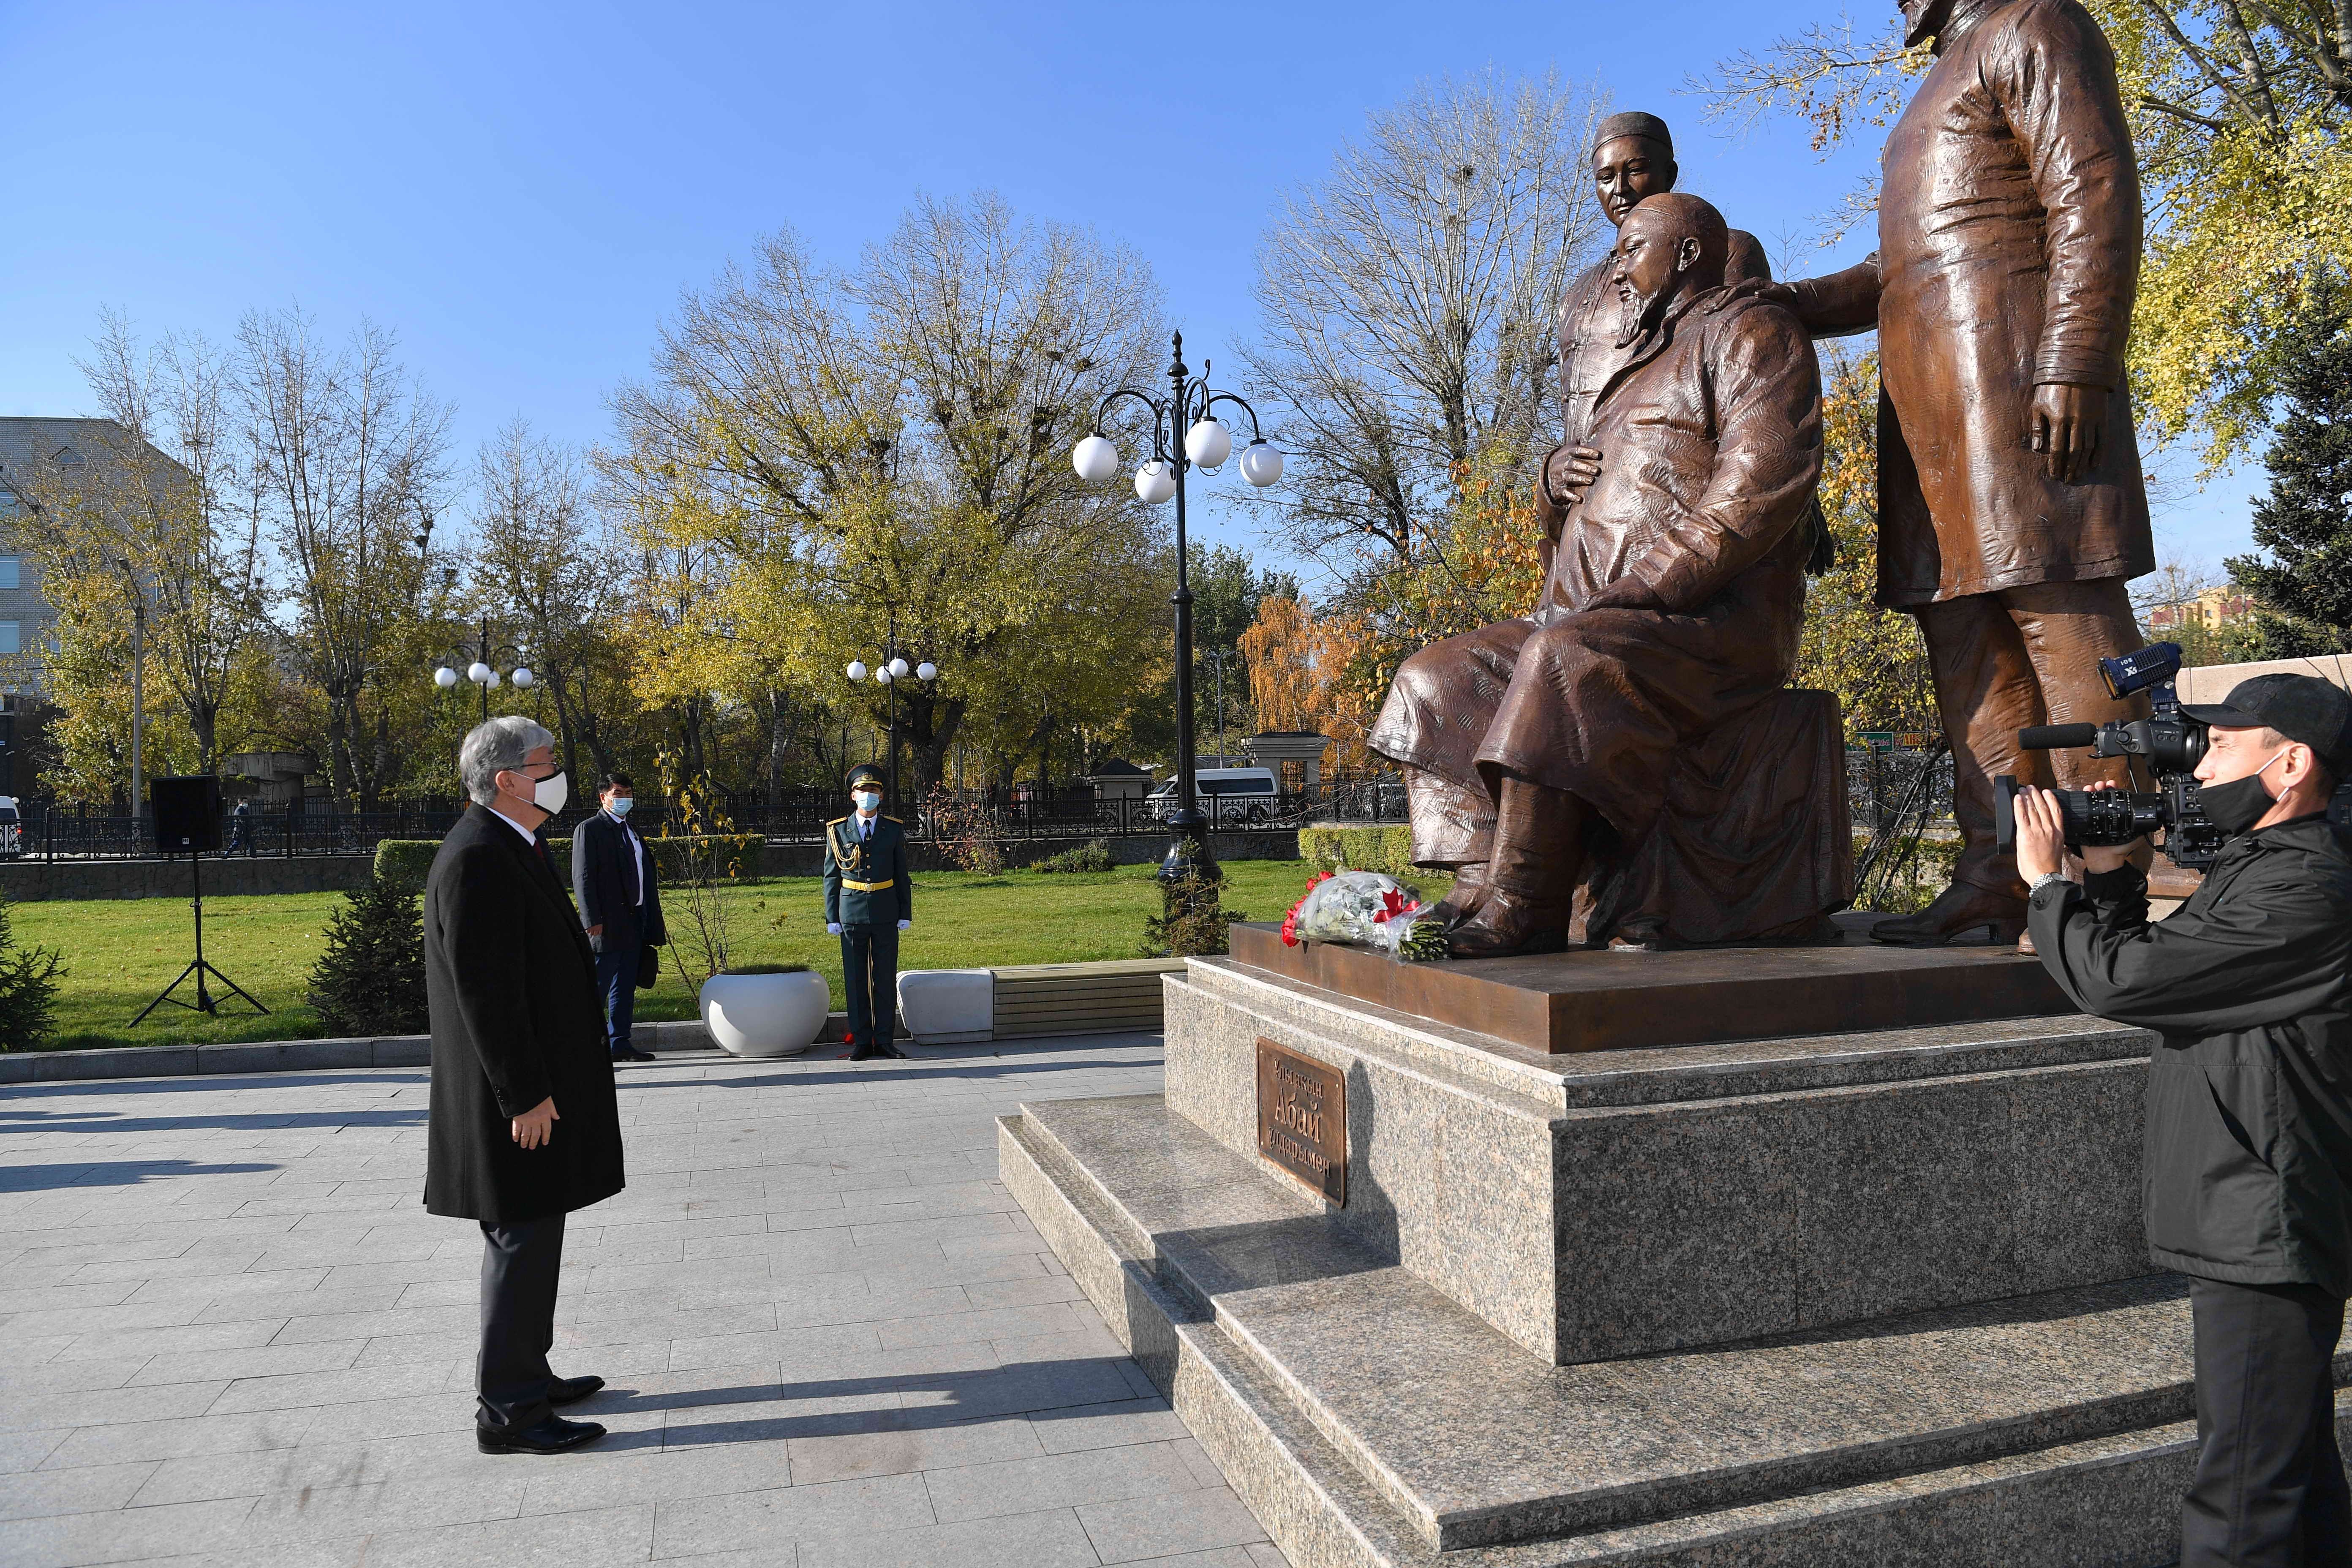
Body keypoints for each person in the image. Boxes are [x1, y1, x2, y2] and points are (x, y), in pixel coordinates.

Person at [1772, 0, 2154, 946]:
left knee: (2067, 632)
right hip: (1935, 421)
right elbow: (1902, 266)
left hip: (2019, 391)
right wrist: (1778, 303)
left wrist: (2075, 357)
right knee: (1969, 653)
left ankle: (2112, 879)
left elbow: (2094, 191)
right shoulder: (1938, 83)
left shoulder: (2034, 23)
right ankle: (2000, 869)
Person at [1367, 193, 1824, 956]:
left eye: (1628, 248)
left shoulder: (1751, 332)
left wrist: (1650, 585)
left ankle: (1524, 904)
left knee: (1562, 660)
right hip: (1591, 617)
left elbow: (1760, 486)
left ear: (1684, 256)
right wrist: (1551, 480)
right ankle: (1478, 877)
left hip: (1705, 624)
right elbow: (1579, 513)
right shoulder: (1637, 362)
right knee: (1433, 677)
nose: (1612, 268)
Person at [2015, 673, 2352, 1566]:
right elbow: (2161, 971)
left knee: (2241, 1502)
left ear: (2291, 765)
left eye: (2226, 744)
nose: (2203, 764)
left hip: (2267, 1223)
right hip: (2251, 1213)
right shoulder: (2262, 872)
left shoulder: (2305, 890)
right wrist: (2104, 873)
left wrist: (2045, 883)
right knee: (2296, 1485)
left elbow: (2120, 982)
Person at [423, 716, 622, 1456]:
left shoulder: (512, 843)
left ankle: (529, 1371)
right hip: (513, 1102)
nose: (555, 774)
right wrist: (525, 1095)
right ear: (506, 778)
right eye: (544, 764)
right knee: (520, 1240)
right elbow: (487, 994)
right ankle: (508, 1410)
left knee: (535, 1235)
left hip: (534, 1090)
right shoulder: (477, 857)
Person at [572, 771, 666, 1065]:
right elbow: (583, 877)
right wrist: (591, 919)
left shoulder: (631, 830)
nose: (624, 799)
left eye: (628, 793)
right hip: (606, 923)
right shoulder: (590, 830)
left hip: (634, 920)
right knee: (597, 987)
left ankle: (619, 1043)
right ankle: (581, 1046)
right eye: (618, 794)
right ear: (603, 798)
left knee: (625, 986)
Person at [823, 763, 912, 1060]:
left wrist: (905, 912)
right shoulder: (838, 830)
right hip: (851, 912)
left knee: (884, 978)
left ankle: (885, 1039)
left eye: (873, 790)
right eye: (863, 790)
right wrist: (832, 916)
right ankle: (862, 1040)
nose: (868, 795)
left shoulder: (893, 829)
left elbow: (902, 874)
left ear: (881, 795)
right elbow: (831, 876)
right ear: (853, 796)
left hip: (886, 909)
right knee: (856, 979)